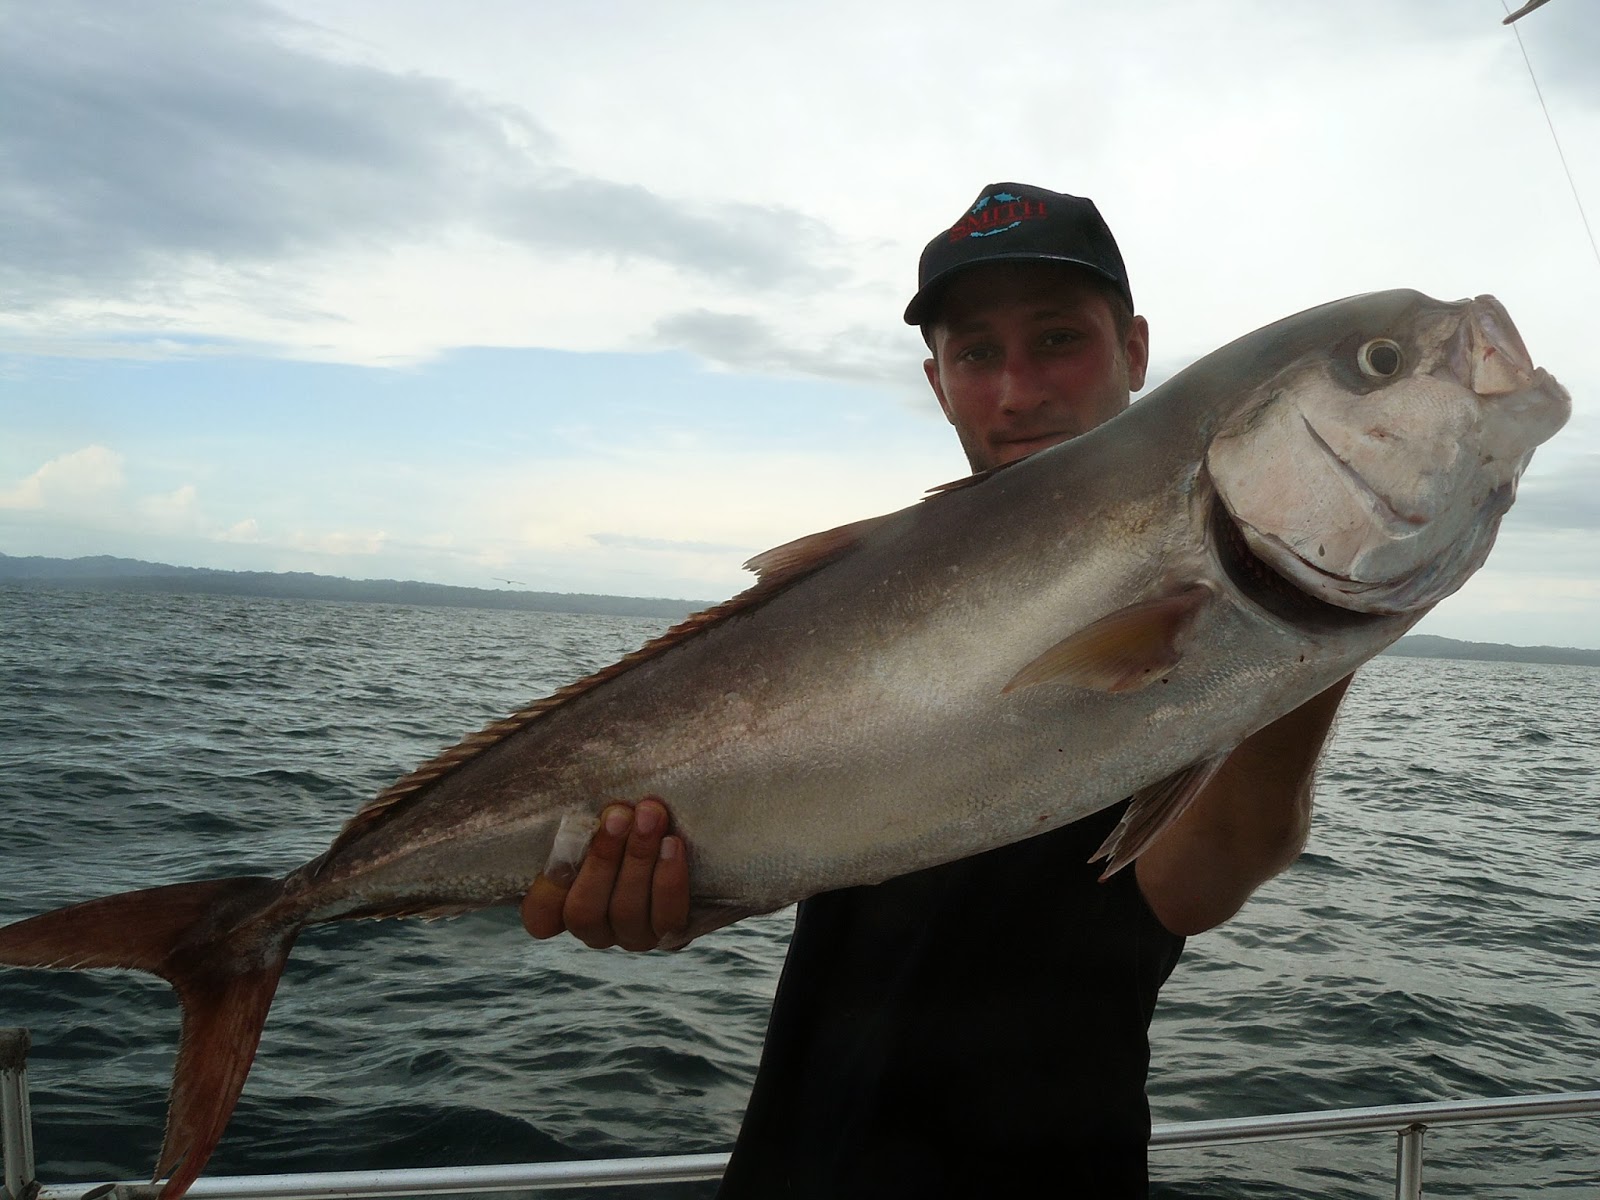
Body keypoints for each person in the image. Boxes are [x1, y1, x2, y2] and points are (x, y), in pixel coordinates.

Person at [520, 183, 1352, 1196]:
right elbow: (800, 829)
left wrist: (1297, 611)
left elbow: (1194, 881)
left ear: (1134, 352)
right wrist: (675, 893)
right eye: (976, 354)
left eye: (1057, 340)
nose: (1016, 391)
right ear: (937, 380)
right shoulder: (865, 596)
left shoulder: (1197, 600)